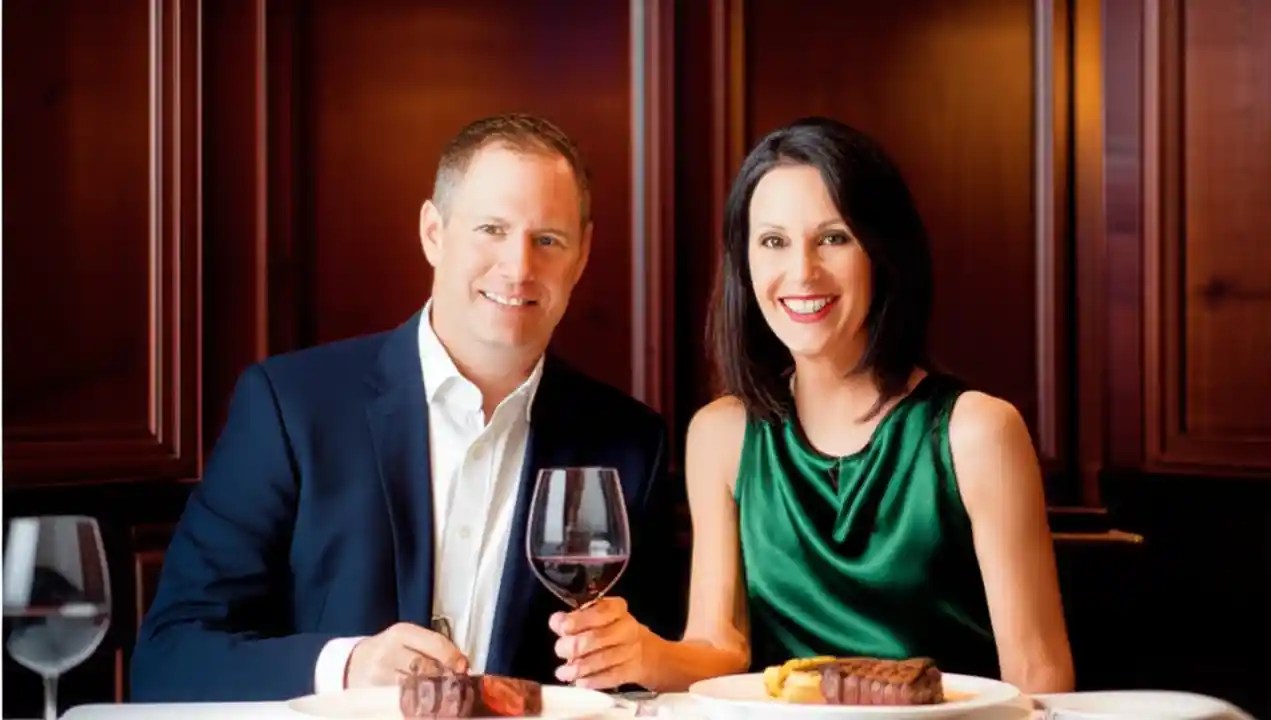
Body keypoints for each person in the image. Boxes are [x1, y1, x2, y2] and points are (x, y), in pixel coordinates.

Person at [131, 113, 681, 701]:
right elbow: (168, 658)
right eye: (491, 229)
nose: (519, 267)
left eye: (547, 240)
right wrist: (349, 666)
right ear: (433, 233)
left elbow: (646, 680)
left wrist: (628, 661)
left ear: (582, 255)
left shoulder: (629, 441)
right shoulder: (291, 405)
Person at [548, 117, 1075, 693]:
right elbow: (721, 647)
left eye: (833, 237)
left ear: (882, 252)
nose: (802, 271)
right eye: (773, 241)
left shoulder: (976, 431)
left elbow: (1039, 677)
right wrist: (645, 657)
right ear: (745, 263)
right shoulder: (721, 434)